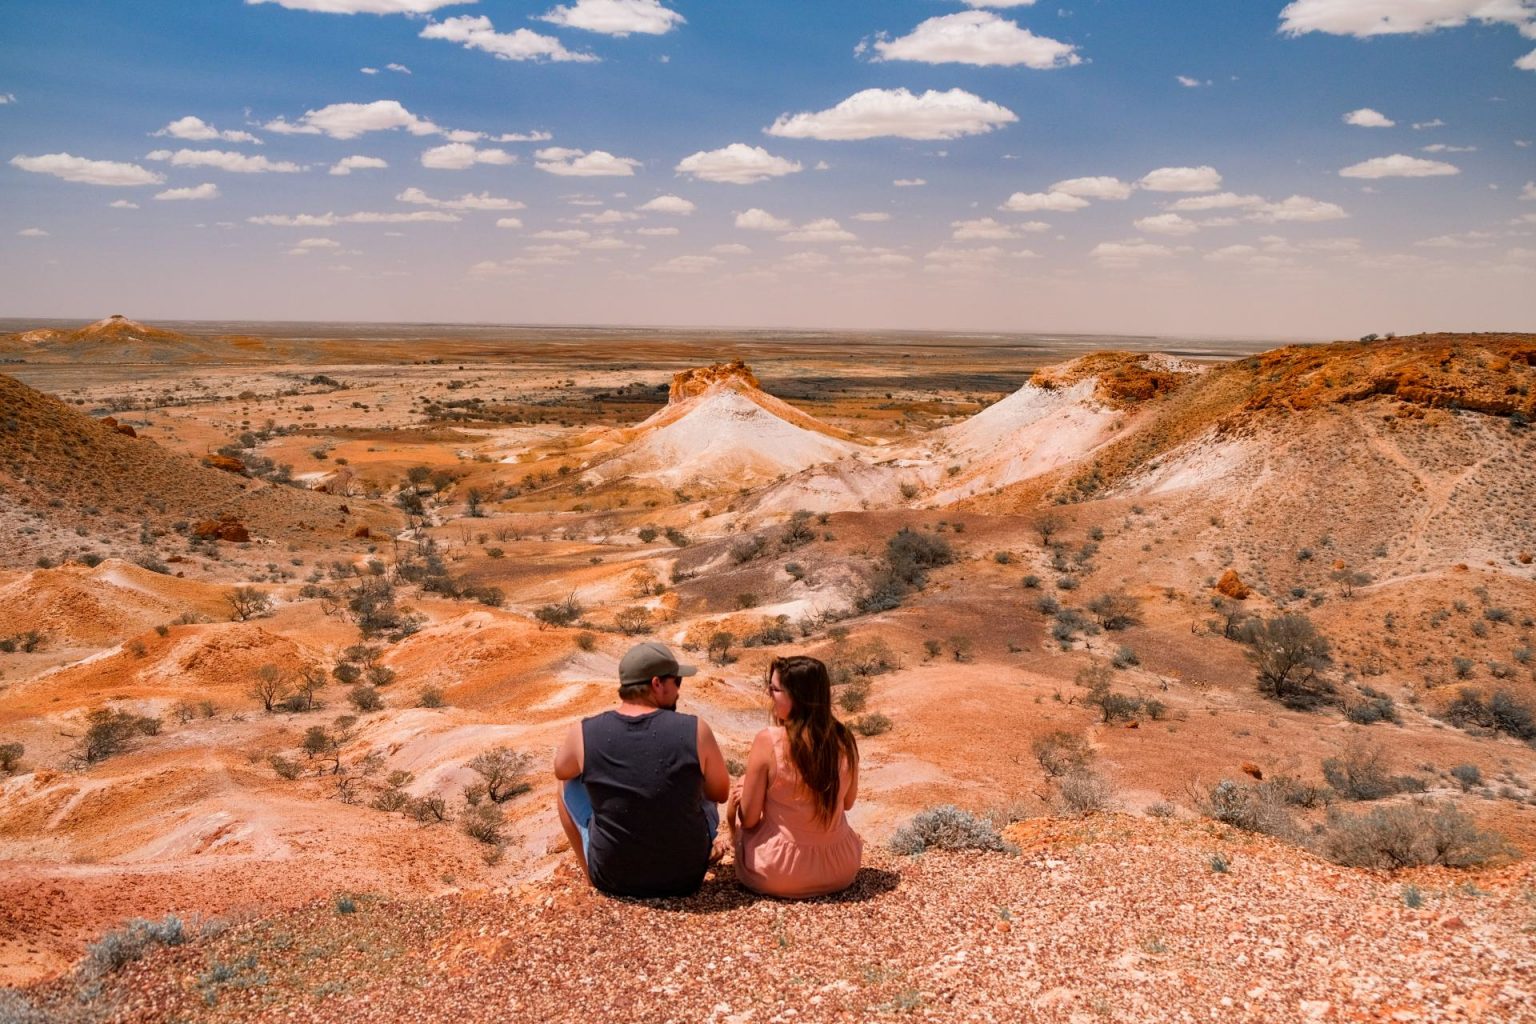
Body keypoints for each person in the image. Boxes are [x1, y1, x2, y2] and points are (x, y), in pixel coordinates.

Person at [553, 641, 730, 898]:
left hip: (613, 878)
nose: (679, 692)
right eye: (677, 682)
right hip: (687, 876)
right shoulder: (696, 729)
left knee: (566, 783)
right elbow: (720, 793)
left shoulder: (584, 731)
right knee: (700, 776)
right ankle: (693, 848)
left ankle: (592, 873)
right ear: (657, 684)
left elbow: (561, 770)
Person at [728, 655, 862, 898]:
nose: (769, 695)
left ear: (796, 697)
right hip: (841, 867)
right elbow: (848, 803)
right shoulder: (844, 739)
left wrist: (742, 792)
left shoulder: (768, 740)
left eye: (774, 689)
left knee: (741, 791)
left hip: (781, 872)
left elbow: (748, 820)